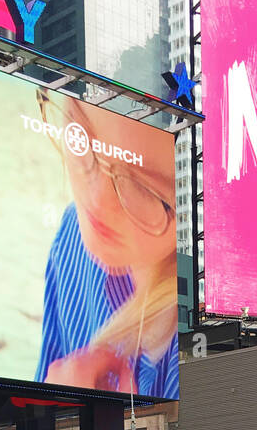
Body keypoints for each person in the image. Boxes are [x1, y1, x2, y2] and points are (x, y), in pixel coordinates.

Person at [33, 88, 177, 397]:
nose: (98, 201)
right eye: (81, 140)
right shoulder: (73, 232)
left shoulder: (189, 338)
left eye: (145, 189)